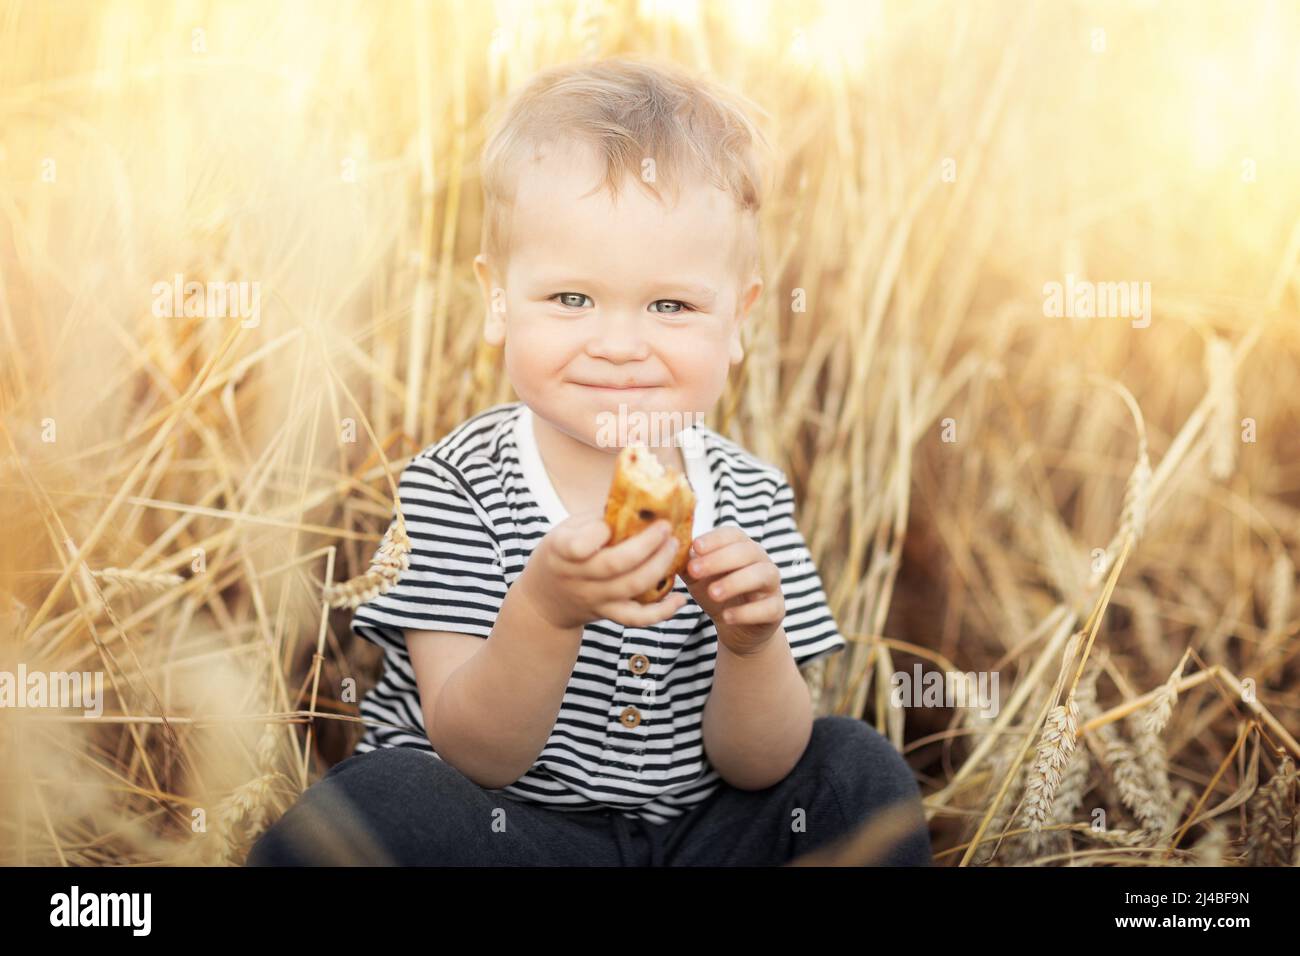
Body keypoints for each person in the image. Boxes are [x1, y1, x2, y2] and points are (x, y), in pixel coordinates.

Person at [247, 54, 931, 867]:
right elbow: (476, 751)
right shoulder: (459, 481)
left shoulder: (750, 494)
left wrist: (752, 646)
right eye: (572, 298)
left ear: (739, 318)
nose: (617, 346)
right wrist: (545, 609)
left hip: (699, 843)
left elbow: (760, 765)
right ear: (498, 298)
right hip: (508, 837)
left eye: (671, 305)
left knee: (855, 771)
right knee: (381, 805)